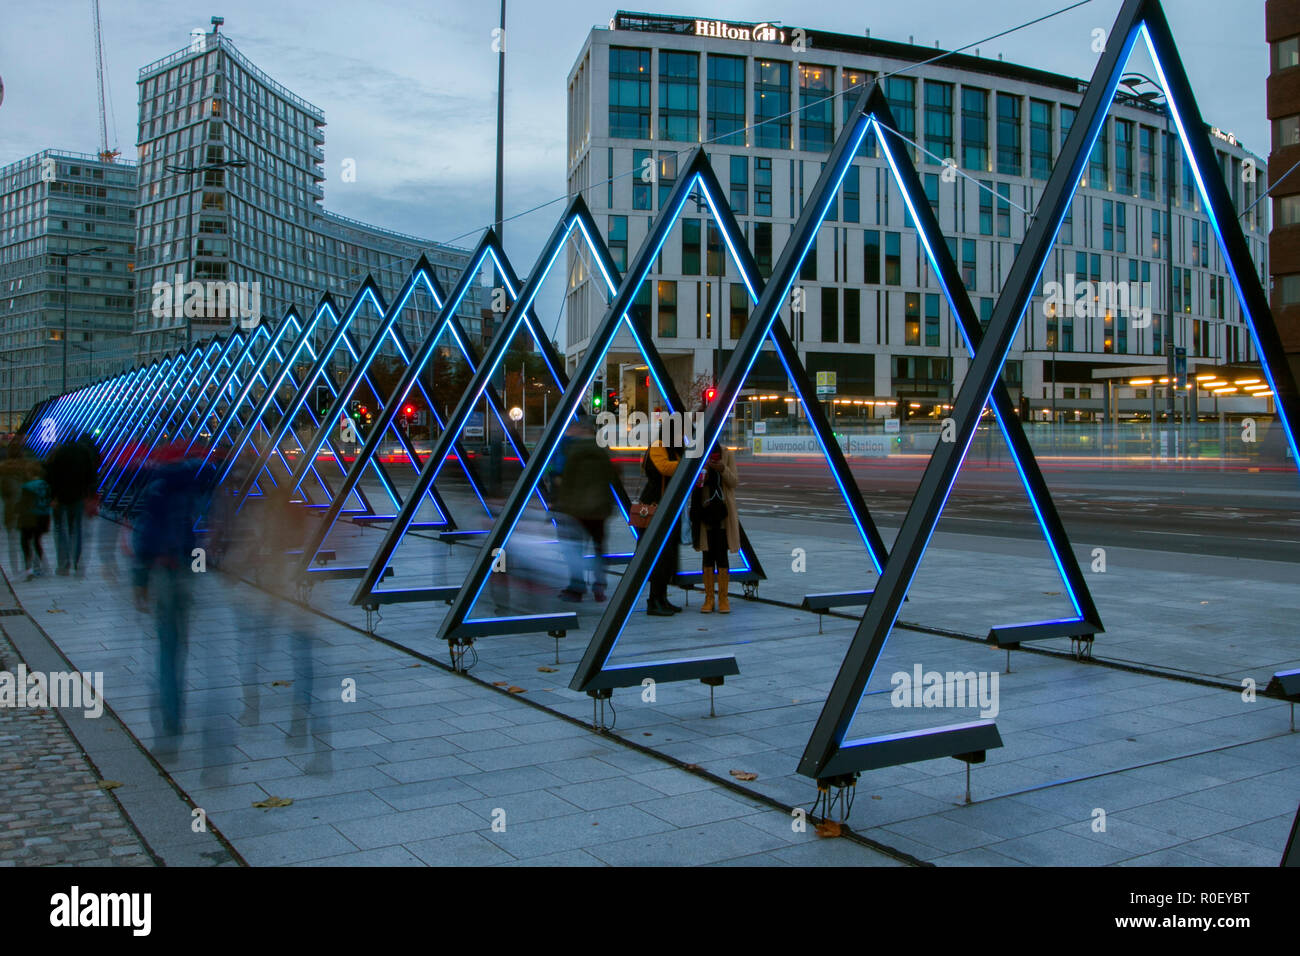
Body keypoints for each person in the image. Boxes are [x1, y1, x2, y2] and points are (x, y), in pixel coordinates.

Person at [131, 448, 202, 738]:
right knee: (178, 645)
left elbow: (145, 536)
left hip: (162, 572)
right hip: (184, 571)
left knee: (166, 648)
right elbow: (195, 537)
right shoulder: (189, 488)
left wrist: (140, 581)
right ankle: (175, 709)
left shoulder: (156, 489)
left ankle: (170, 715)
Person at [554, 415, 620, 602]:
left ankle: (577, 587)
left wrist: (562, 503)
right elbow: (614, 477)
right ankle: (599, 587)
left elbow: (565, 480)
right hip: (599, 509)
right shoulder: (604, 449)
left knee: (575, 548)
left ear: (583, 429)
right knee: (599, 547)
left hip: (577, 509)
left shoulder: (573, 450)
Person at [689, 443, 739, 613]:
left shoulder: (727, 454)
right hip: (704, 513)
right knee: (707, 555)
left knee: (722, 554)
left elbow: (734, 481)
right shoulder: (698, 454)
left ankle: (724, 599)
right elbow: (693, 484)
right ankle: (709, 598)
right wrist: (702, 472)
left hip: (723, 515)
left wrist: (722, 468)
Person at [641, 436, 683, 616]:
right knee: (659, 556)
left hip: (669, 506)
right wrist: (686, 465)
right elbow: (663, 468)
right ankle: (654, 600)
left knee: (669, 556)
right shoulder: (658, 446)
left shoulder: (673, 449)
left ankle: (662, 598)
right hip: (655, 506)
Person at [47, 435, 96, 575]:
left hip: (60, 496)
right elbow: (91, 476)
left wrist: (53, 497)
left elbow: (51, 476)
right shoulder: (84, 453)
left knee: (59, 529)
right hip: (78, 496)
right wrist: (89, 495)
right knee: (76, 529)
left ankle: (63, 564)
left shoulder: (58, 453)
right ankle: (77, 561)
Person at [16, 460, 52, 579]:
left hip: (29, 517)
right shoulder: (45, 485)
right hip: (43, 517)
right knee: (37, 541)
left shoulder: (27, 486)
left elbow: (23, 504)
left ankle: (28, 568)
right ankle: (41, 565)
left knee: (25, 541)